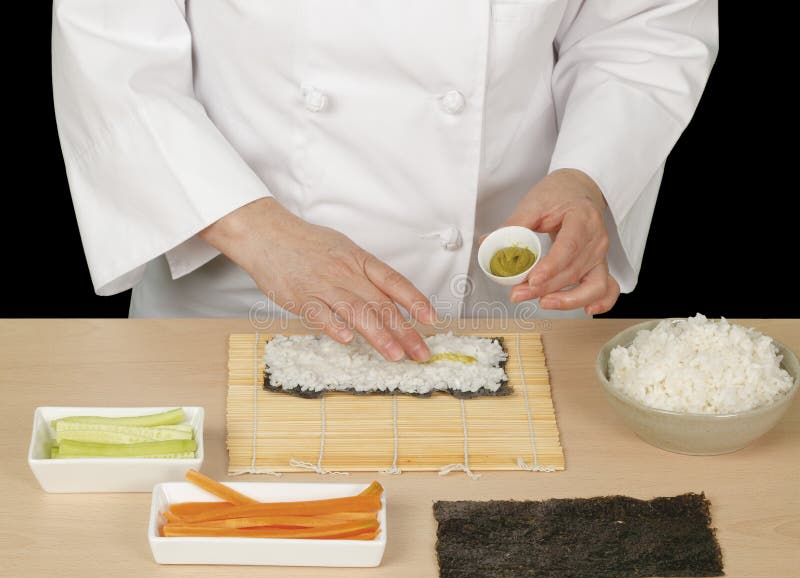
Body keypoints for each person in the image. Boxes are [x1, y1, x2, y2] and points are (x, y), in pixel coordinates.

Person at [53, 1, 717, 361]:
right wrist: (256, 231)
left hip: (501, 313)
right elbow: (111, 54)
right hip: (235, 313)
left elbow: (643, 27)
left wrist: (588, 175)